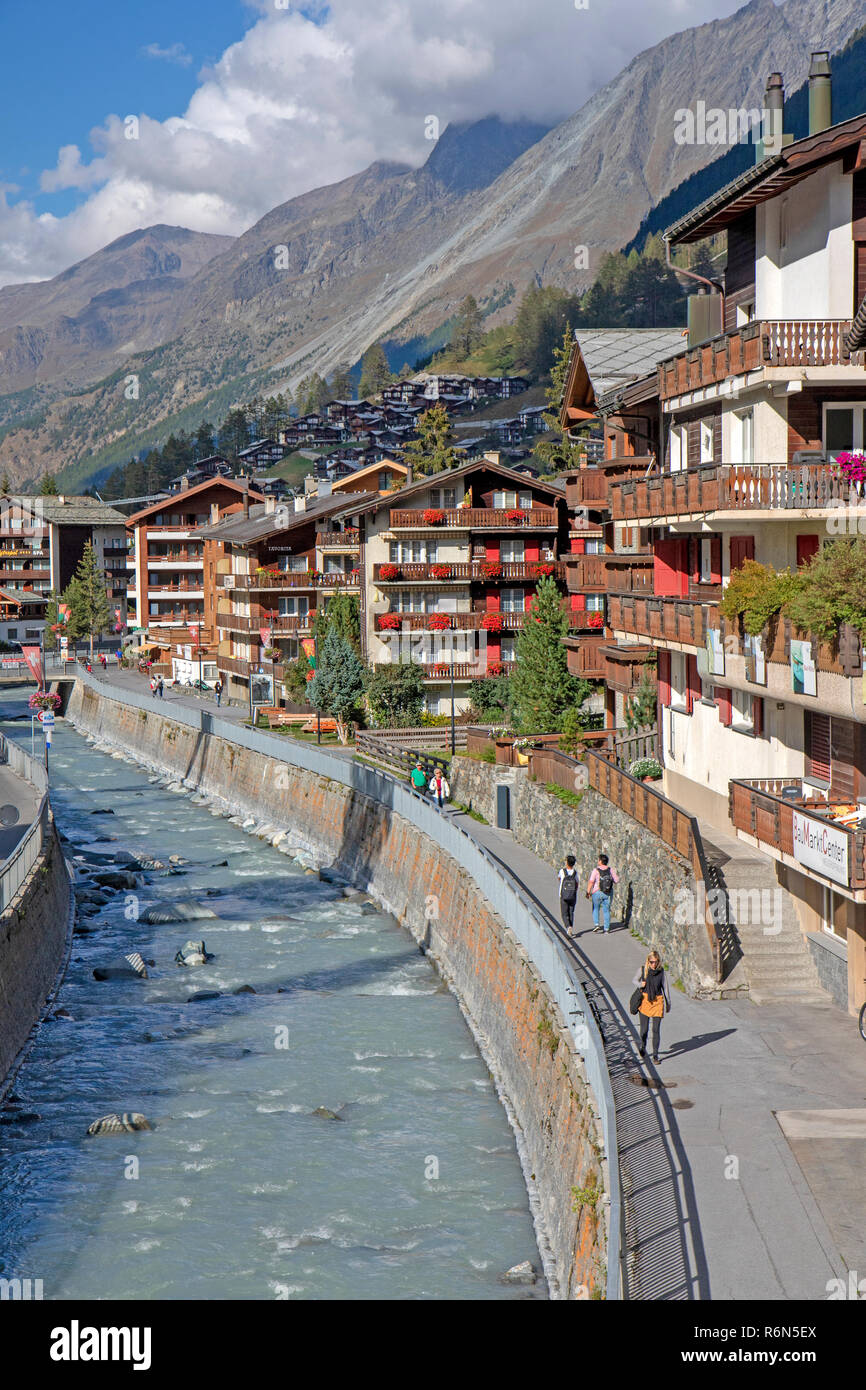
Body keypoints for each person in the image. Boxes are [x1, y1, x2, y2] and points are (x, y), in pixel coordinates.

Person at [632, 949, 671, 1064]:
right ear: (648, 961)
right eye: (652, 962)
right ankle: (643, 1046)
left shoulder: (661, 972)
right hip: (645, 1001)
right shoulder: (643, 970)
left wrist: (668, 1003)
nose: (654, 964)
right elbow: (634, 980)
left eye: (656, 962)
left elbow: (666, 988)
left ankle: (655, 1056)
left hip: (658, 1001)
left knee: (656, 1030)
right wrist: (640, 984)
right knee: (644, 1030)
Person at [586, 852, 619, 933]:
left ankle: (597, 925)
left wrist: (588, 892)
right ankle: (606, 929)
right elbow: (617, 880)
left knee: (595, 908)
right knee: (606, 910)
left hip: (597, 892)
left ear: (600, 861)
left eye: (598, 860)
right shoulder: (610, 870)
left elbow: (591, 881)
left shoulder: (596, 870)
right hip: (608, 892)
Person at [557, 854, 579, 934]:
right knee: (571, 912)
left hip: (563, 895)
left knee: (564, 913)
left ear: (567, 863)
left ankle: (568, 926)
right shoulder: (575, 873)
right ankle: (571, 927)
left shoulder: (562, 871)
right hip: (573, 895)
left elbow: (559, 879)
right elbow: (577, 883)